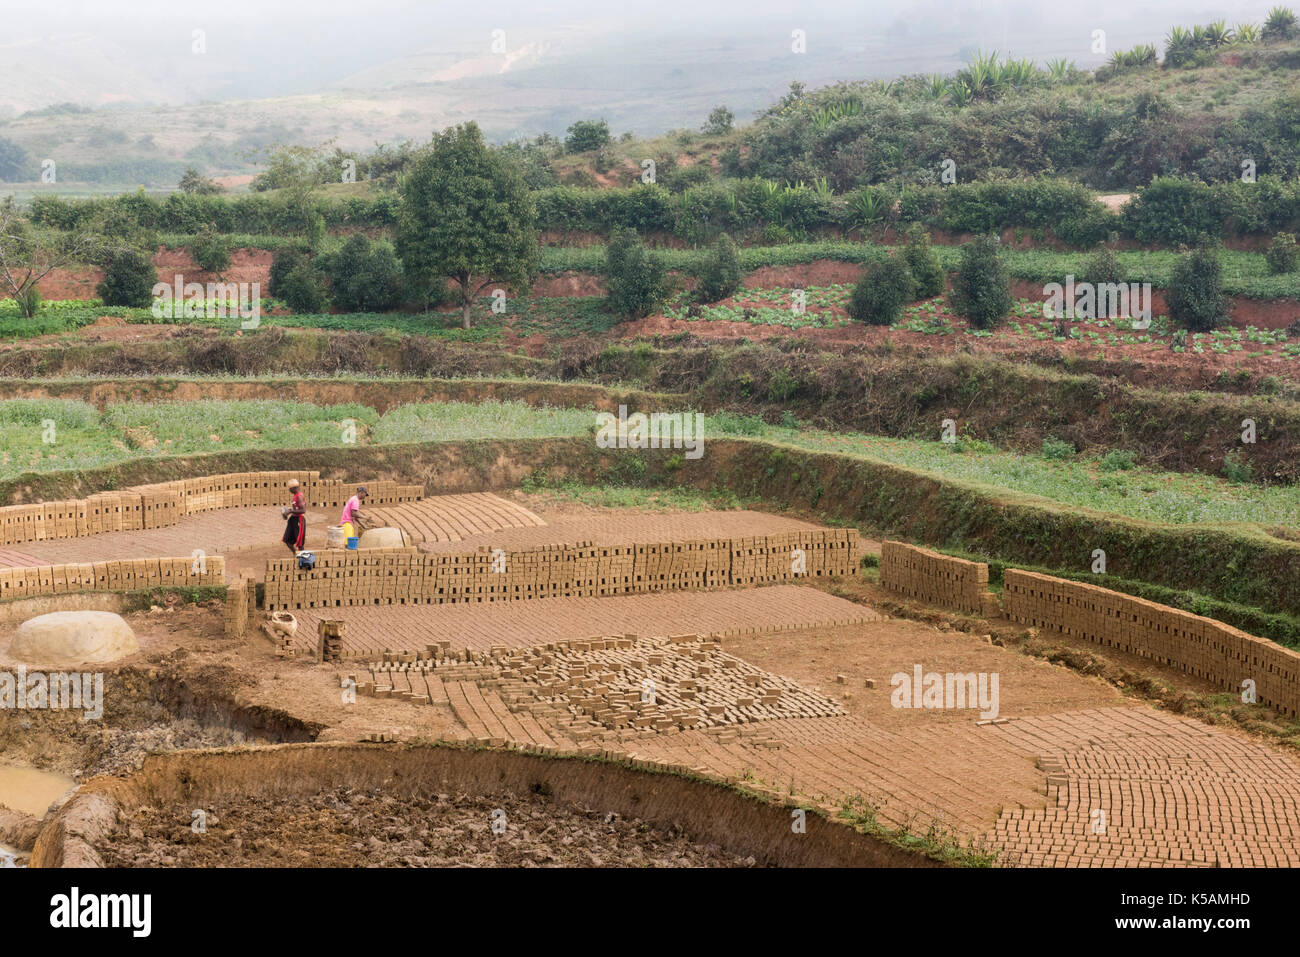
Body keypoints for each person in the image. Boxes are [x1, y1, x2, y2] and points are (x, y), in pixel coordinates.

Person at [281, 479, 306, 555]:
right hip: (293, 519)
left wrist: (291, 511)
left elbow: (303, 510)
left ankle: (303, 559)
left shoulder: (299, 497)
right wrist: (287, 512)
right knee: (287, 540)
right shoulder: (295, 496)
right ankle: (296, 555)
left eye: (290, 489)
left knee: (300, 544)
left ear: (294, 488)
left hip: (299, 520)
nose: (289, 490)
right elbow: (296, 508)